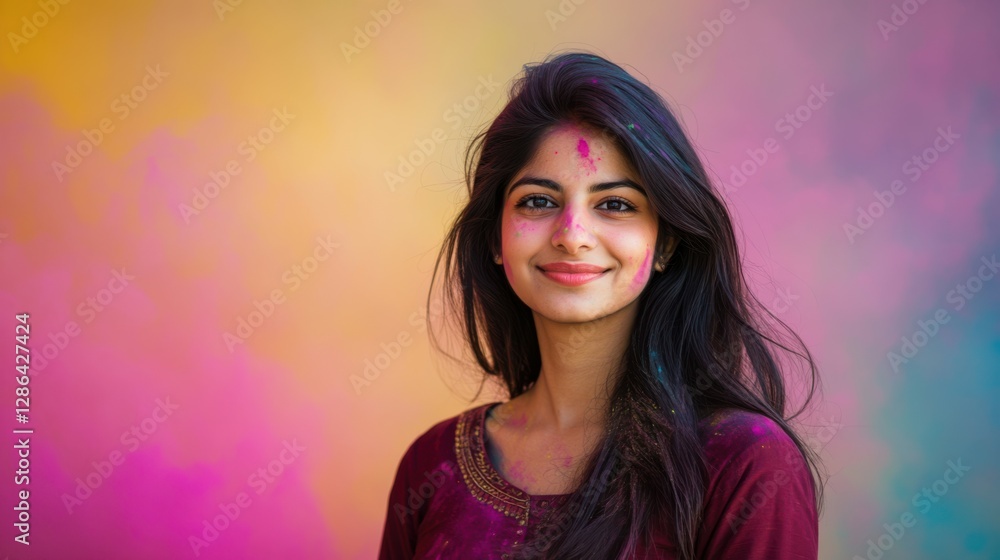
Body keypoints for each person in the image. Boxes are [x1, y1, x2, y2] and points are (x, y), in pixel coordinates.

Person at [378, 50, 822, 559]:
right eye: (538, 201)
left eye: (615, 204)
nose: (572, 236)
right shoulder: (433, 466)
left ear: (667, 243)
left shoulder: (745, 463)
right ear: (497, 240)